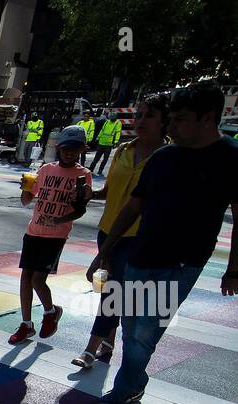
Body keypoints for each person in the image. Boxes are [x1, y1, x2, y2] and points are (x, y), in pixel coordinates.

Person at [84, 82, 238, 404]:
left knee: (142, 336)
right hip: (138, 256)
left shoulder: (237, 159)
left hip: (180, 265)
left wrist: (234, 269)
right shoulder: (163, 158)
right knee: (132, 327)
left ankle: (115, 399)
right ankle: (134, 384)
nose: (171, 127)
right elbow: (135, 205)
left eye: (179, 119)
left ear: (207, 118)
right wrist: (104, 252)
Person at [72, 93, 170, 368]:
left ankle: (91, 348)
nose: (141, 121)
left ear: (164, 121)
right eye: (138, 115)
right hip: (107, 230)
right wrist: (90, 194)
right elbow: (110, 191)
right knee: (106, 290)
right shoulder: (123, 151)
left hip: (137, 236)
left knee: (114, 291)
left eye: (149, 115)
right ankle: (108, 342)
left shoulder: (167, 157)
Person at [8, 126, 92, 345]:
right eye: (66, 148)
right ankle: (26, 324)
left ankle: (50, 312)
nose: (69, 153)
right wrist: (25, 187)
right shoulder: (46, 169)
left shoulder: (83, 175)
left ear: (82, 149)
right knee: (26, 278)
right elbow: (26, 200)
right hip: (33, 231)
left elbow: (81, 210)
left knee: (38, 279)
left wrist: (58, 220)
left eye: (74, 149)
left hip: (55, 236)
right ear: (59, 148)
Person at [90, 110, 122, 175]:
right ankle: (91, 169)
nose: (111, 118)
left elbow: (118, 132)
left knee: (105, 159)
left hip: (109, 144)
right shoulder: (107, 122)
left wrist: (116, 141)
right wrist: (98, 138)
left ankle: (100, 171)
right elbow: (102, 130)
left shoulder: (118, 123)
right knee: (96, 158)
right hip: (101, 142)